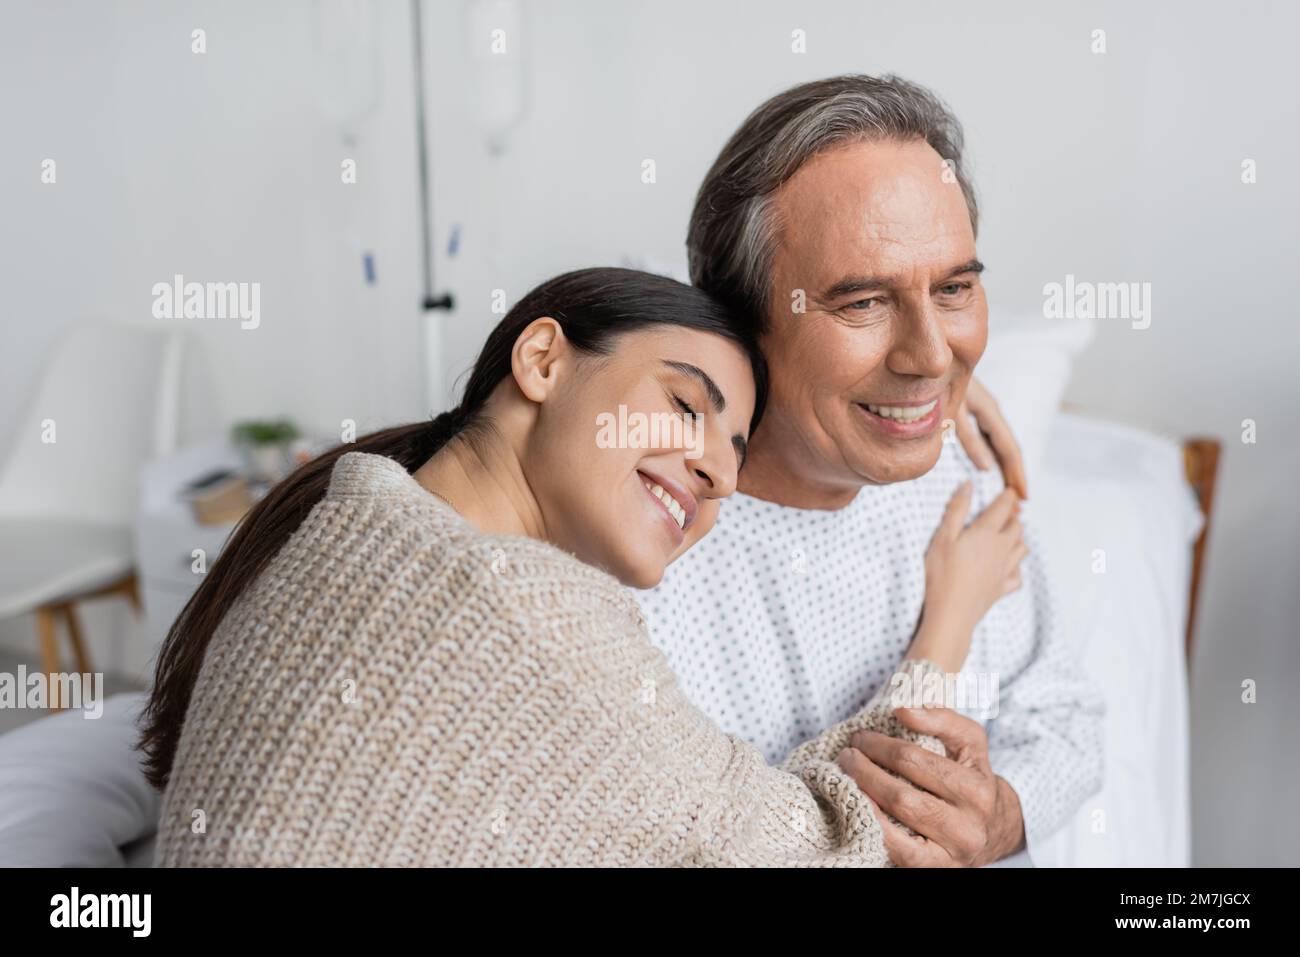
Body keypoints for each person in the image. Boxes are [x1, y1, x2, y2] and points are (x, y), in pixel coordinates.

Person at [139, 267, 1024, 867]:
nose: (717, 468)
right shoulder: (523, 617)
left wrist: (912, 381)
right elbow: (825, 848)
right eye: (685, 404)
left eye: (735, 452)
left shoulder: (349, 524)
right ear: (541, 359)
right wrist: (950, 619)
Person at [638, 75, 1105, 866]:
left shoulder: (969, 464)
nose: (930, 356)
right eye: (862, 303)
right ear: (738, 323)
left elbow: (1065, 713)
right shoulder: (647, 542)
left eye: (954, 288)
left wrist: (1002, 812)